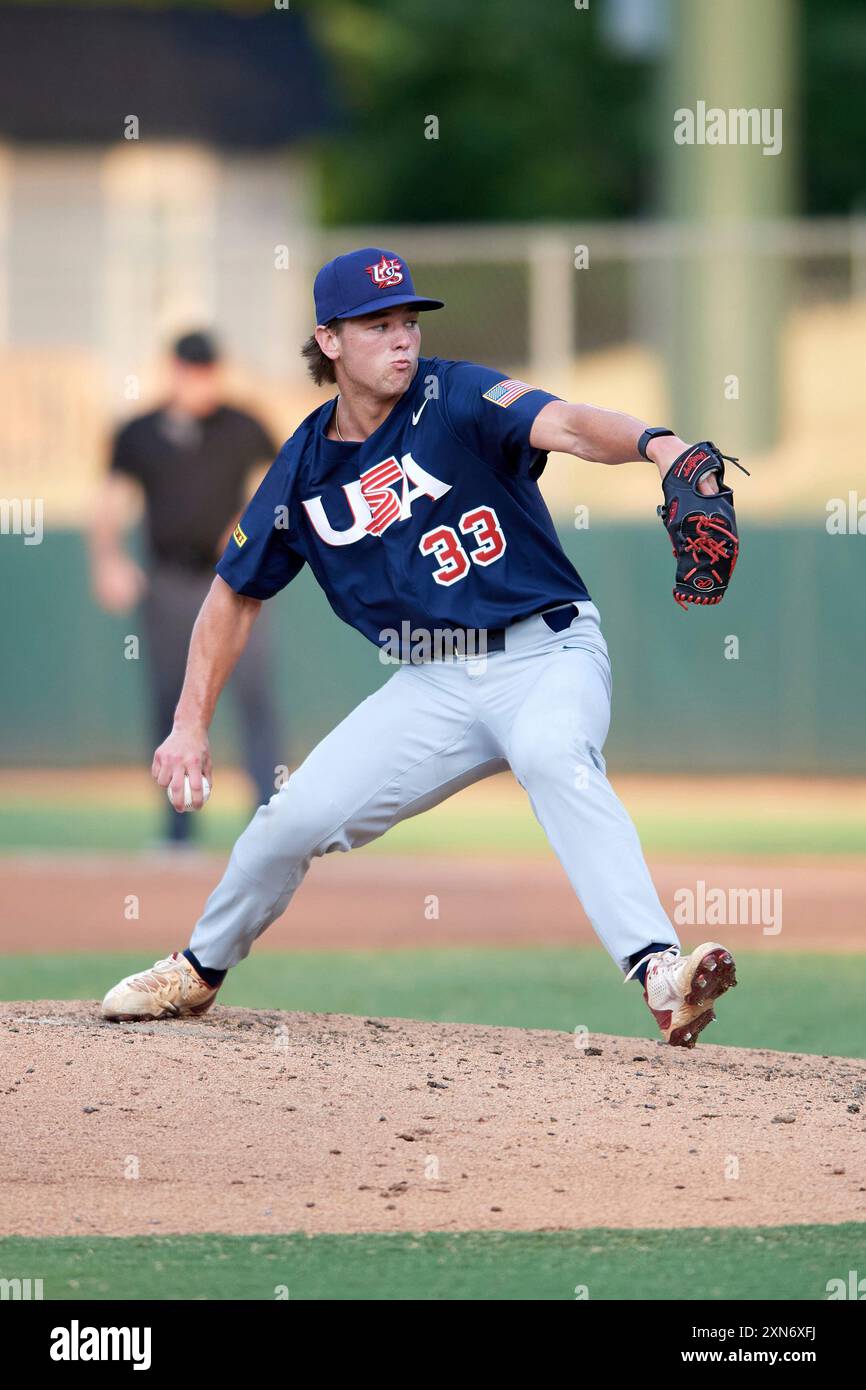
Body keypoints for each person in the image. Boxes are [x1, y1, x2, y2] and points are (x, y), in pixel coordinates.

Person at [101, 249, 738, 1044]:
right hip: (433, 682)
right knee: (290, 821)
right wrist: (191, 721)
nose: (402, 339)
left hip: (548, 651)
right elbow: (235, 592)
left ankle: (660, 974)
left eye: (408, 321)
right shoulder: (303, 466)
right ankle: (197, 968)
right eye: (378, 325)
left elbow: (569, 424)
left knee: (551, 753)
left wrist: (659, 445)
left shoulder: (456, 392)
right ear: (329, 340)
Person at [90, 331, 284, 845]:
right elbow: (109, 501)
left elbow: (278, 486)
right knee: (170, 704)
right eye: (192, 371)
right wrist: (108, 561)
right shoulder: (139, 432)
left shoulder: (243, 423)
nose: (201, 381)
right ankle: (178, 828)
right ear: (174, 370)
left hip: (235, 585)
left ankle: (269, 819)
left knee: (255, 698)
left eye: (208, 371)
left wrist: (247, 523)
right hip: (170, 583)